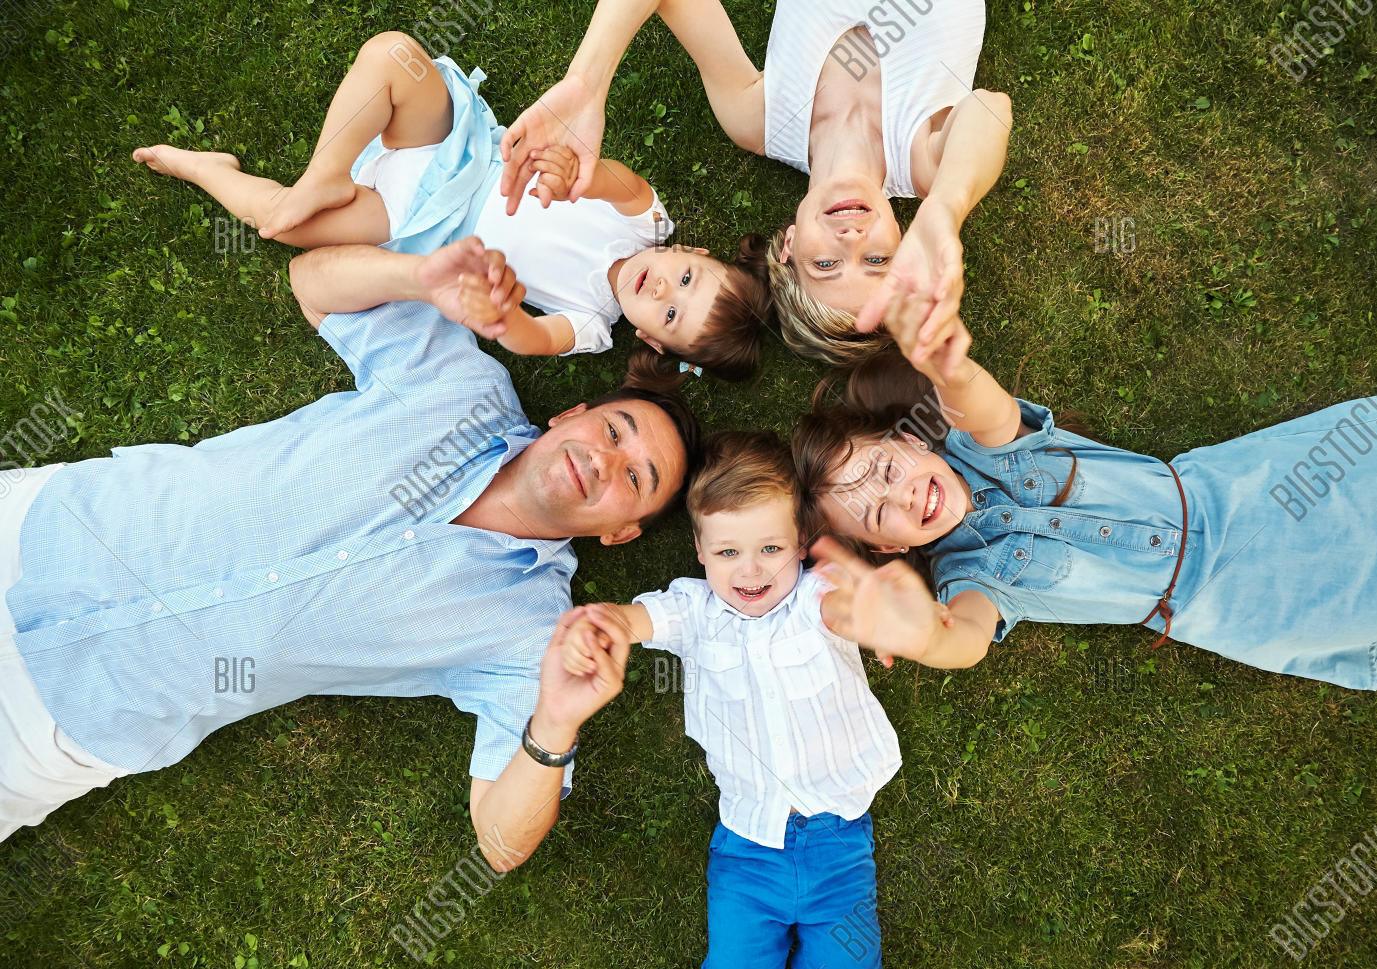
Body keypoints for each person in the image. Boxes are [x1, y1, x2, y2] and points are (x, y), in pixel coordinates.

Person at [0, 236, 699, 861]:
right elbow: (314, 283)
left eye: (636, 478)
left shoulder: (530, 639)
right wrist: (420, 276)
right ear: (572, 415)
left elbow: (500, 842)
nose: (606, 462)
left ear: (621, 532)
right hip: (46, 527)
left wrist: (556, 723)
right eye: (615, 431)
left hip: (67, 724)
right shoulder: (462, 389)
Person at [795, 290, 1377, 689]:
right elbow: (969, 638)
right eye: (880, 515)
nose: (902, 496)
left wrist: (948, 365)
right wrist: (926, 636)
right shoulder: (971, 580)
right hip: (1240, 602)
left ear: (913, 440)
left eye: (886, 472)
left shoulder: (980, 449)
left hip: (1252, 490)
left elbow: (981, 403)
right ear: (884, 546)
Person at [132, 31, 769, 386]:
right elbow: (616, 182)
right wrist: (577, 173)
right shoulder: (646, 224)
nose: (662, 286)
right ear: (693, 251)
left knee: (280, 224)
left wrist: (503, 318)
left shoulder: (594, 325)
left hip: (415, 224)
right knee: (394, 55)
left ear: (651, 338)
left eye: (669, 312)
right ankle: (325, 173)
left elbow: (535, 339)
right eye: (685, 277)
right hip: (459, 153)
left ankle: (203, 167)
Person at [560, 431, 900, 969]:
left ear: (801, 542)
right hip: (747, 853)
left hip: (840, 845)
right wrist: (604, 626)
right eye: (727, 552)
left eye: (770, 548)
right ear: (699, 549)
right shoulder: (693, 609)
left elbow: (850, 605)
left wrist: (878, 616)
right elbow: (638, 619)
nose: (750, 572)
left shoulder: (817, 595)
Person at [499, 0, 1012, 365]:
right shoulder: (925, 163)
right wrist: (945, 210)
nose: (853, 241)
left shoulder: (756, 121)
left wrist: (586, 85)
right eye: (877, 261)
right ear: (903, 240)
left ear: (788, 244)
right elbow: (990, 109)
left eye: (827, 264)